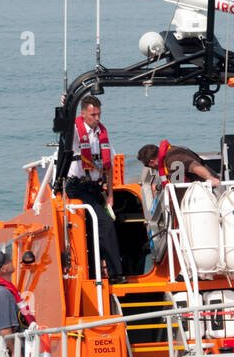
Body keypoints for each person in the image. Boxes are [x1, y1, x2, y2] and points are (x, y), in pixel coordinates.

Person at [65, 95, 124, 281]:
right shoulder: (74, 131)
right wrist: (65, 106)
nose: (97, 118)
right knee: (105, 224)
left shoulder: (101, 133)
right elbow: (62, 128)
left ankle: (101, 268)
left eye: (99, 114)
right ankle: (116, 273)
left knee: (107, 223)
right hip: (77, 187)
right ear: (83, 114)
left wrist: (110, 195)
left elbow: (109, 165)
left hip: (96, 188)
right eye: (93, 115)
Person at [137, 140, 220, 188]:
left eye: (146, 165)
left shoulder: (173, 157)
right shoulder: (167, 156)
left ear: (151, 161)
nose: (148, 167)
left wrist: (209, 178)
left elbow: (194, 166)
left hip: (207, 188)